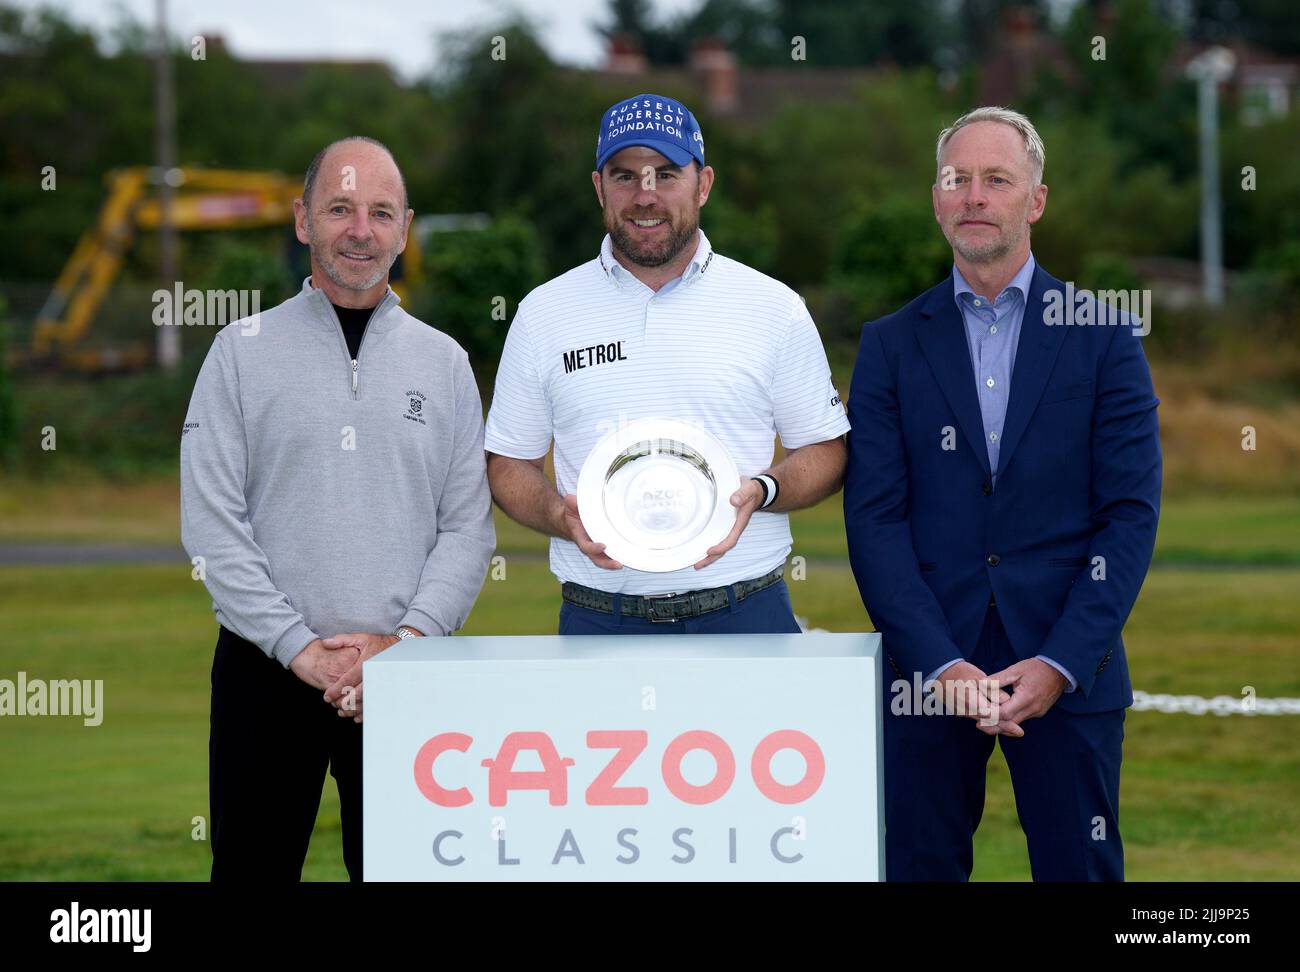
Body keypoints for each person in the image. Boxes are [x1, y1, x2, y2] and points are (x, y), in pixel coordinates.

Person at [843, 107, 1161, 881]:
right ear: (937, 197)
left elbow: (1129, 517)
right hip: (927, 672)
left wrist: (1059, 661)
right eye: (959, 179)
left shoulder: (1105, 335)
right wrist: (938, 664)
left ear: (1036, 200)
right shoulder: (889, 344)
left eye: (997, 179)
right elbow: (875, 520)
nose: (975, 195)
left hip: (1065, 663)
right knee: (917, 868)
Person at [180, 136, 495, 881]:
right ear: (302, 220)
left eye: (381, 212)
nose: (361, 230)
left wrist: (407, 639)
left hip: (407, 671)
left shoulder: (445, 363)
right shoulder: (239, 352)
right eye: (340, 208)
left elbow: (468, 526)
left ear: (405, 228)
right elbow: (212, 522)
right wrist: (298, 647)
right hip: (267, 670)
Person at [485, 93, 849, 635]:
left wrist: (763, 490)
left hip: (746, 613)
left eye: (666, 174)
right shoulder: (544, 311)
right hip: (599, 619)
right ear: (598, 187)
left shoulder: (773, 306)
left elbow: (825, 449)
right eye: (625, 175)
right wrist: (560, 516)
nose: (645, 196)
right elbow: (508, 464)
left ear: (703, 185)